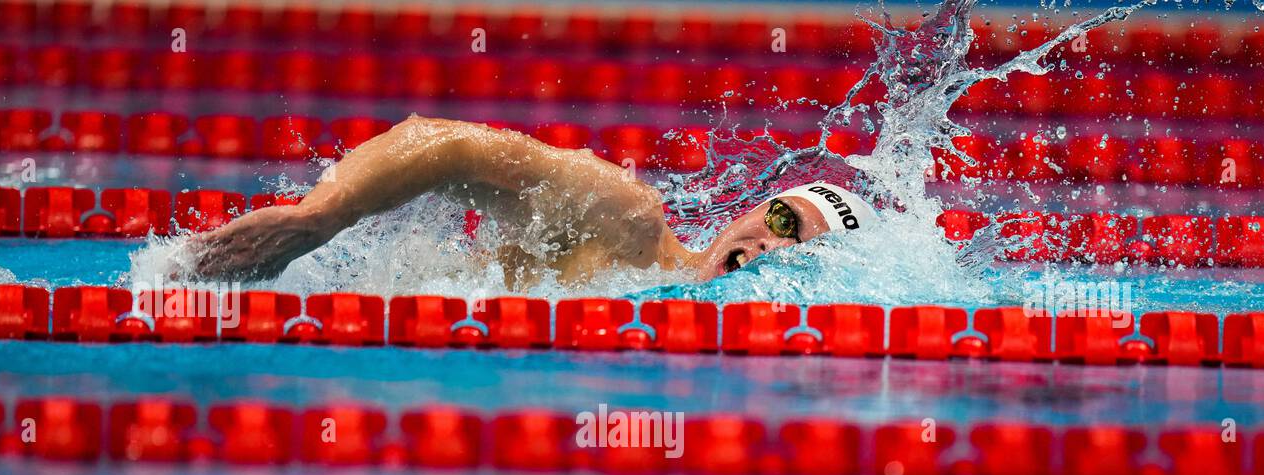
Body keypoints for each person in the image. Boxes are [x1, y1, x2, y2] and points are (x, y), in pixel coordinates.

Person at [185, 115, 877, 289]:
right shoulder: (626, 221)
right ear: (752, 211)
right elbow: (449, 145)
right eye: (784, 219)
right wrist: (321, 216)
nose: (772, 247)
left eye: (801, 249)